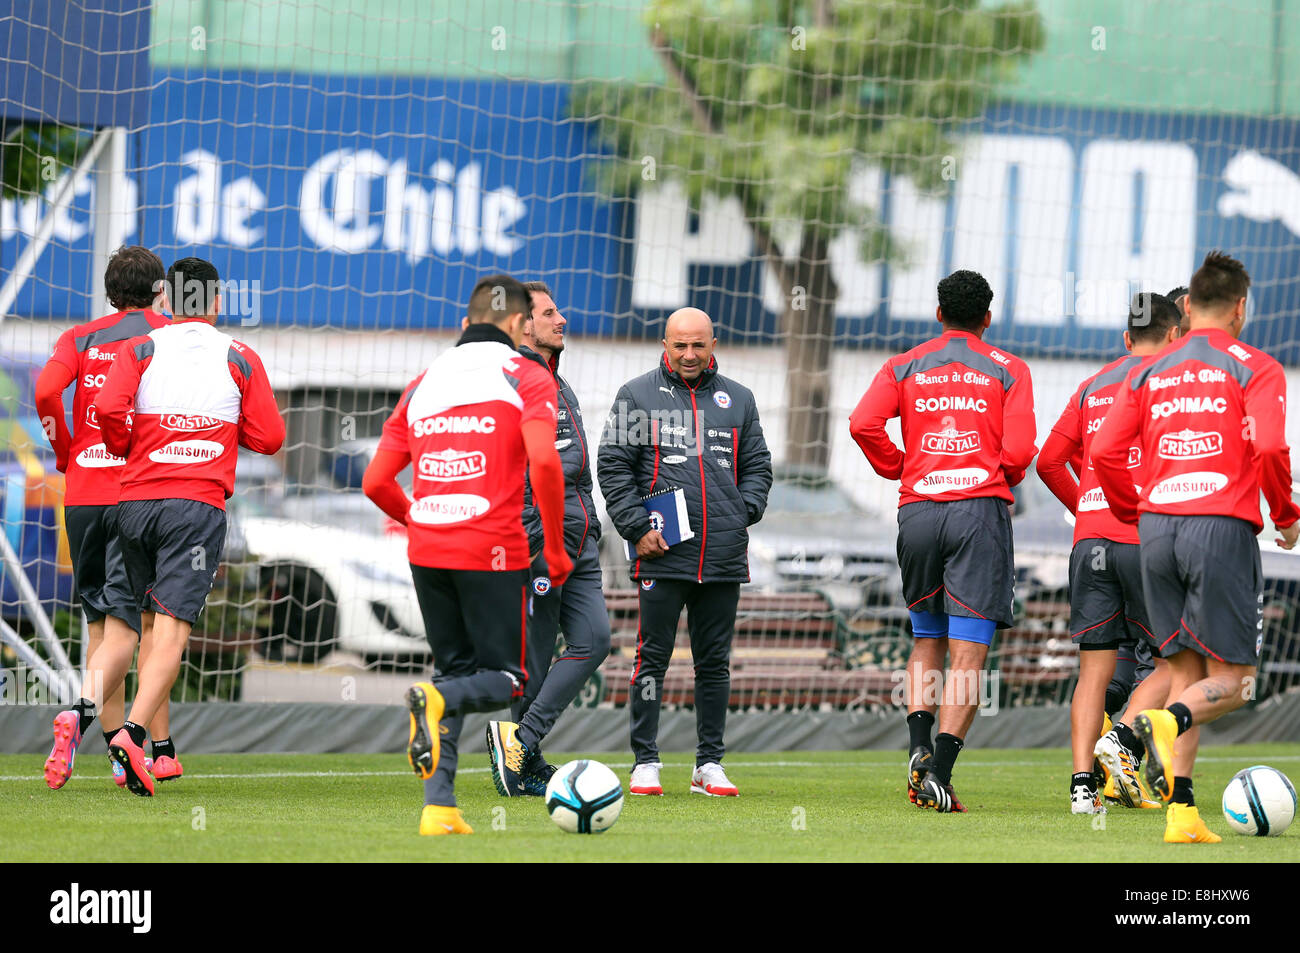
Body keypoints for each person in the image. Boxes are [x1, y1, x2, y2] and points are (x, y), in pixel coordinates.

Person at [47, 257, 285, 797]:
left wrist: (127, 445)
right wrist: (220, 435)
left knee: (121, 627)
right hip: (194, 508)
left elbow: (108, 406)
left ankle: (82, 711)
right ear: (218, 303)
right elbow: (271, 438)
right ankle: (134, 735)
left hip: (131, 503)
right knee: (170, 629)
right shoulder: (241, 356)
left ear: (169, 301)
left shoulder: (140, 350)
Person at [1092, 251, 1300, 844]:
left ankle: (1181, 812)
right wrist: (1286, 515)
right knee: (1233, 681)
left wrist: (1136, 510)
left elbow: (1104, 453)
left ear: (1186, 307)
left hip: (1154, 529)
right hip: (1220, 528)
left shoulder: (1148, 369)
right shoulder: (1254, 367)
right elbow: (1268, 451)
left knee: (1182, 668)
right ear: (1240, 308)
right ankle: (1161, 721)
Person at [362, 274, 571, 835]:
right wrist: (553, 547)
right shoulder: (526, 375)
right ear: (516, 324)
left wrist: (419, 520)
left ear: (467, 320)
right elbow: (546, 465)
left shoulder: (424, 380)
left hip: (427, 547)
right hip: (494, 546)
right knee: (512, 677)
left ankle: (439, 808)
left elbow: (376, 481)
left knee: (452, 670)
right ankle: (432, 700)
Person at [849, 269, 1036, 813]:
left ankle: (917, 745)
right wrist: (993, 473)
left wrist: (903, 466)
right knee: (969, 650)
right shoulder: (1009, 369)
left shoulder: (904, 363)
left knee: (925, 635)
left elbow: (863, 423)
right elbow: (1022, 451)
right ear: (987, 318)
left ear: (938, 314)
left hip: (919, 511)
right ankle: (941, 772)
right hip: (977, 510)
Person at [597, 307, 771, 798]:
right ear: (665, 344)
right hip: (662, 554)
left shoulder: (739, 399)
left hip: (722, 557)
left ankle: (708, 764)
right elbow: (612, 466)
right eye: (681, 346)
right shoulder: (637, 395)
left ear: (713, 344)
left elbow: (758, 466)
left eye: (699, 345)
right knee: (652, 658)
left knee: (714, 664)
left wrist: (744, 509)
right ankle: (645, 761)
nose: (690, 355)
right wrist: (636, 527)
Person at [1035, 292, 1182, 814]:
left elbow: (1049, 460)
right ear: (1173, 336)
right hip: (1144, 538)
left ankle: (1081, 788)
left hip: (1090, 541)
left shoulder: (1092, 384)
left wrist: (1088, 509)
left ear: (1125, 338)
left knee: (1092, 673)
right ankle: (1121, 740)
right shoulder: (1169, 383)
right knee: (1175, 660)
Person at [40, 246, 178, 790]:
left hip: (82, 494)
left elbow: (48, 390)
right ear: (159, 293)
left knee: (102, 626)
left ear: (108, 292)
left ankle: (115, 754)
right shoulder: (166, 337)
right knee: (148, 624)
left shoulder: (79, 336)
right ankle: (150, 751)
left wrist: (65, 451)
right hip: (138, 493)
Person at [486, 282, 610, 797]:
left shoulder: (560, 383)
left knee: (595, 639)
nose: (562, 319)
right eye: (549, 313)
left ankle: (520, 742)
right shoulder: (513, 381)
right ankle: (520, 760)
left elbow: (573, 470)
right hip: (538, 543)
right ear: (523, 324)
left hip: (580, 540)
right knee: (533, 661)